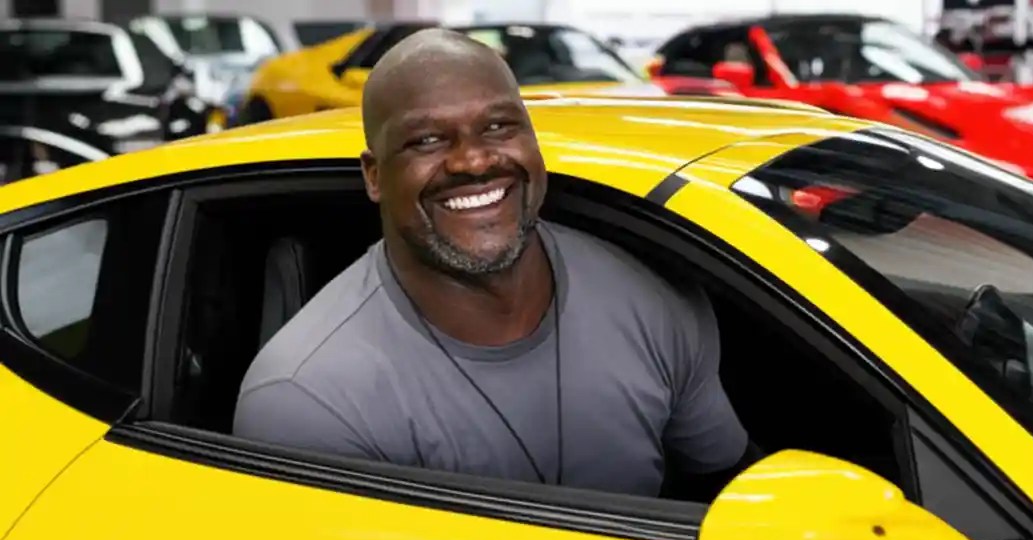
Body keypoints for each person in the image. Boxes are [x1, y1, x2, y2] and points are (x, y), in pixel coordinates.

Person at [232, 28, 758, 499]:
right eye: (428, 140)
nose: (475, 161)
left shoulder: (653, 301)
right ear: (374, 176)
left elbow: (728, 492)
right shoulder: (308, 398)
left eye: (499, 127)